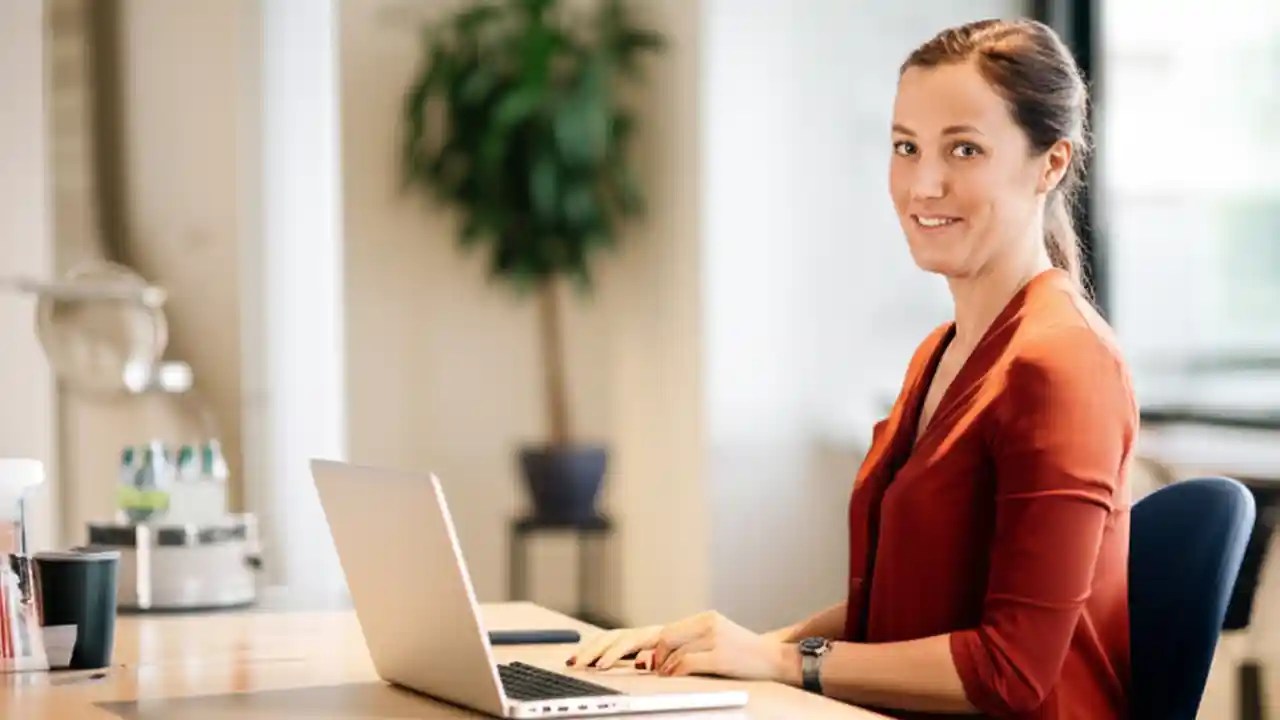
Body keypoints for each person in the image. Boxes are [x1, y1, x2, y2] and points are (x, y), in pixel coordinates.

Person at [566, 18, 1135, 720]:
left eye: (964, 149)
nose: (923, 183)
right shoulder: (941, 352)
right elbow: (906, 605)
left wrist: (779, 662)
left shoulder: (1063, 366)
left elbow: (1010, 672)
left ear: (1050, 164)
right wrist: (727, 647)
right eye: (906, 147)